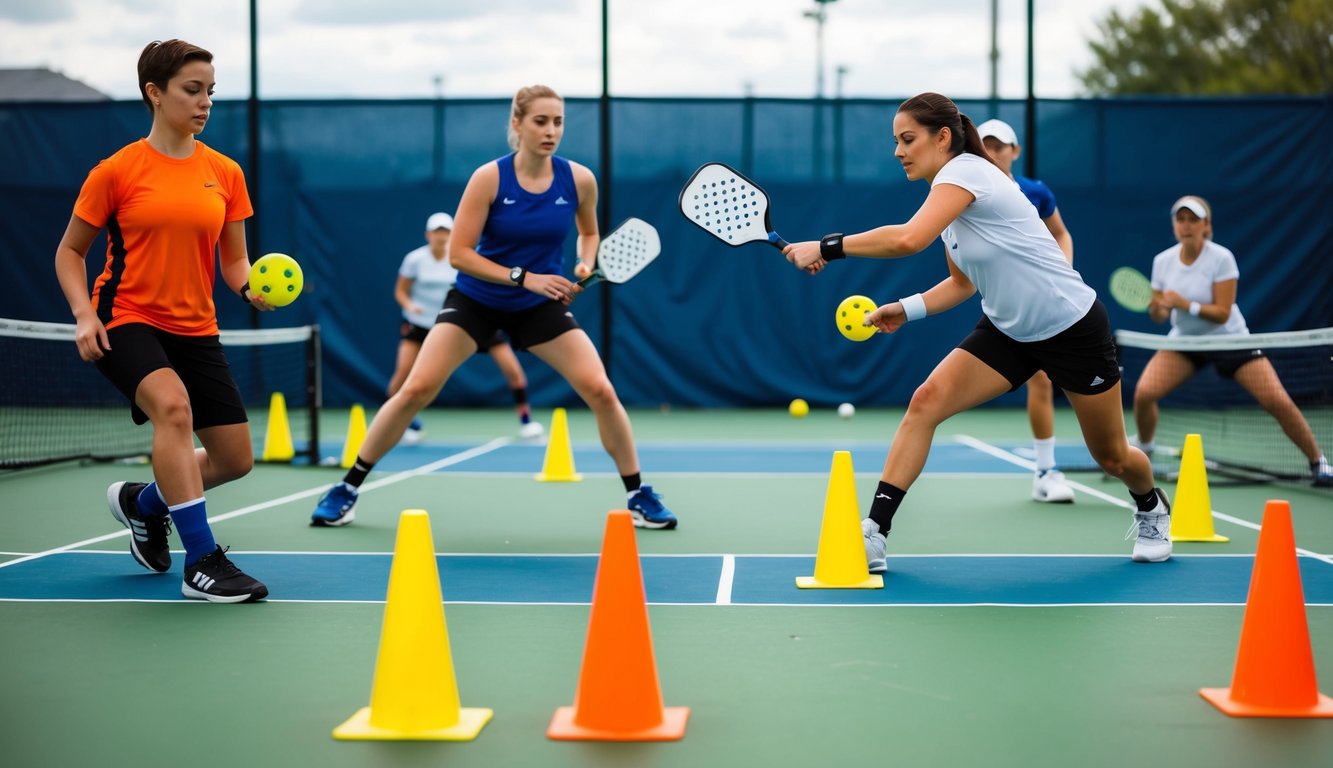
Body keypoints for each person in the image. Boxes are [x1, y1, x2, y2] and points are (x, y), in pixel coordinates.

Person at [784, 92, 1172, 567]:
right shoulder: (947, 200)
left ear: (942, 137)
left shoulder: (966, 171)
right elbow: (962, 284)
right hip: (1009, 331)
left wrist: (827, 246)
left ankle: (1151, 505)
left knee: (1113, 457)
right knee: (925, 402)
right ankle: (875, 532)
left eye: (907, 139)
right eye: (896, 142)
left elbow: (908, 238)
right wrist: (905, 309)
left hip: (1072, 327)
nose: (898, 151)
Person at [311, 84, 677, 530]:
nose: (551, 131)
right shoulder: (489, 178)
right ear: (517, 124)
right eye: (540, 121)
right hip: (476, 300)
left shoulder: (579, 180)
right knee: (415, 389)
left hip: (539, 307)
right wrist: (525, 277)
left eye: (558, 121)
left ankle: (638, 493)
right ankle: (347, 488)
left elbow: (589, 233)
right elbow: (460, 254)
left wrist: (584, 261)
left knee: (600, 389)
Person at [52, 39, 268, 602]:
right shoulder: (117, 171)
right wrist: (82, 315)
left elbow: (234, 259)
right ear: (155, 92)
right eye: (192, 90)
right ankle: (201, 562)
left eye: (210, 92)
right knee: (172, 409)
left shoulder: (225, 173)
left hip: (196, 326)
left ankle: (142, 504)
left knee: (234, 459)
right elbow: (70, 252)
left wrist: (249, 287)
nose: (205, 103)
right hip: (125, 316)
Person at [1132, 195, 1332, 487]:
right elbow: (1160, 316)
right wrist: (1159, 308)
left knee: (1276, 400)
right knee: (1144, 393)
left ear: (1206, 225)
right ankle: (1146, 447)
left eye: (1193, 220)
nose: (1186, 225)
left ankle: (1319, 462)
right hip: (1187, 343)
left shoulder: (1221, 258)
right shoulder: (1162, 262)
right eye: (1181, 219)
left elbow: (1223, 314)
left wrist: (1185, 304)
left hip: (1231, 340)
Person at [977, 119, 1077, 504]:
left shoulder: (1036, 192)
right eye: (985, 145)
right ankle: (1046, 470)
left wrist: (1064, 270)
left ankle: (1119, 462)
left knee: (1065, 384)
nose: (992, 151)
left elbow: (1061, 233)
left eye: (1000, 146)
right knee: (1040, 380)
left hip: (1058, 305)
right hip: (1011, 306)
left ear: (1014, 151)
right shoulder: (971, 193)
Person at [391, 211, 545, 444]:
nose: (441, 237)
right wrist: (410, 305)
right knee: (404, 375)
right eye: (436, 232)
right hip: (419, 324)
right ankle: (404, 423)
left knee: (513, 371)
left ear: (453, 234)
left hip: (465, 320)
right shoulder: (414, 260)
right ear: (427, 235)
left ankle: (526, 421)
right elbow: (401, 291)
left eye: (445, 232)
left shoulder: (464, 257)